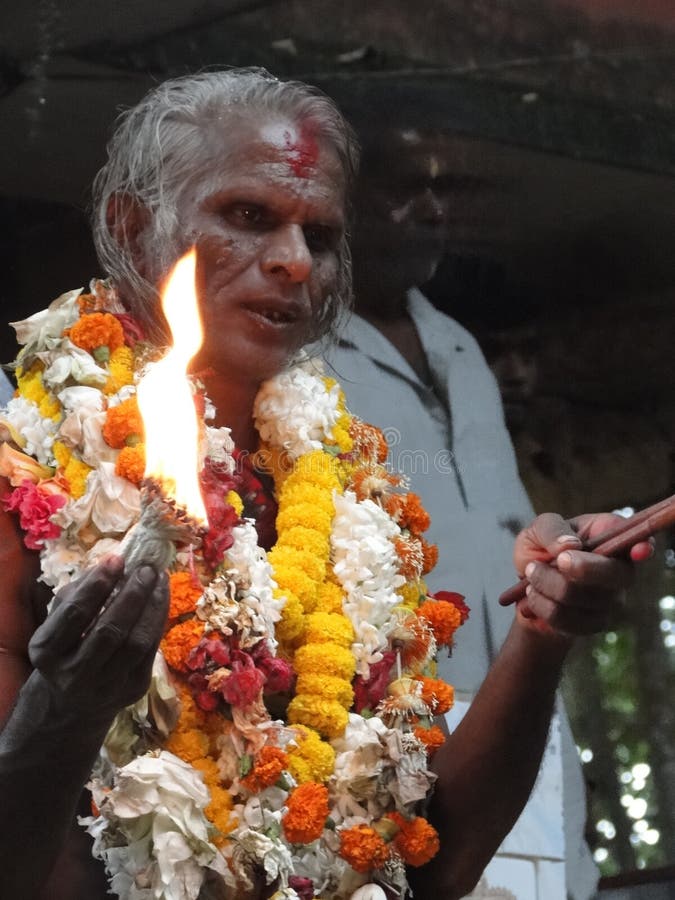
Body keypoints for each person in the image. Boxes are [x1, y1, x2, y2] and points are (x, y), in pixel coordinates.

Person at [0, 70, 648, 900]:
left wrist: (540, 630)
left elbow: (429, 868)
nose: (294, 261)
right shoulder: (27, 478)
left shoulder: (357, 501)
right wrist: (66, 708)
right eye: (247, 216)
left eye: (322, 235)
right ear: (133, 227)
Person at [322, 126, 601, 898]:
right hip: (404, 711)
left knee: (552, 882)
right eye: (404, 188)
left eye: (441, 189)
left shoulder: (459, 348)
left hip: (518, 686)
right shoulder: (303, 351)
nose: (431, 210)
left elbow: (497, 518)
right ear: (343, 204)